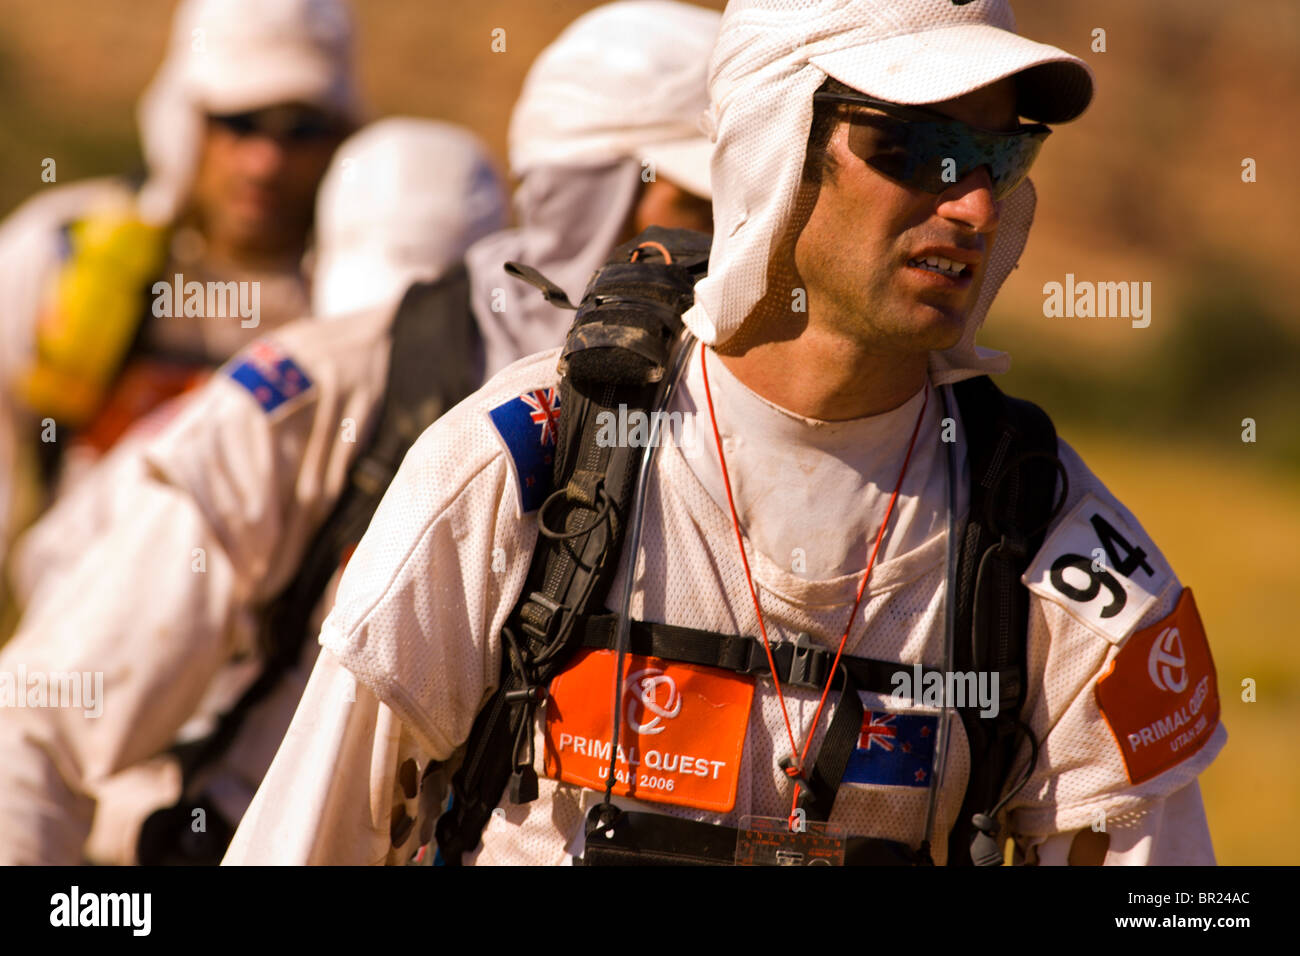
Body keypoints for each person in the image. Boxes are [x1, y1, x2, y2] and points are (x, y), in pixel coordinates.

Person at [224, 0, 1225, 867]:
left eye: (1002, 153)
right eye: (921, 148)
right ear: (775, 144)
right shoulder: (514, 468)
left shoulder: (1063, 553)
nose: (971, 203)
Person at [0, 0, 719, 866]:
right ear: (605, 188)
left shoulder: (728, 435)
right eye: (702, 206)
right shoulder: (321, 389)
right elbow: (40, 722)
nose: (731, 246)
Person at [0, 0, 359, 599]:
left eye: (301, 128)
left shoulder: (355, 298)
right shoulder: (60, 253)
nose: (265, 162)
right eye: (239, 121)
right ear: (183, 116)